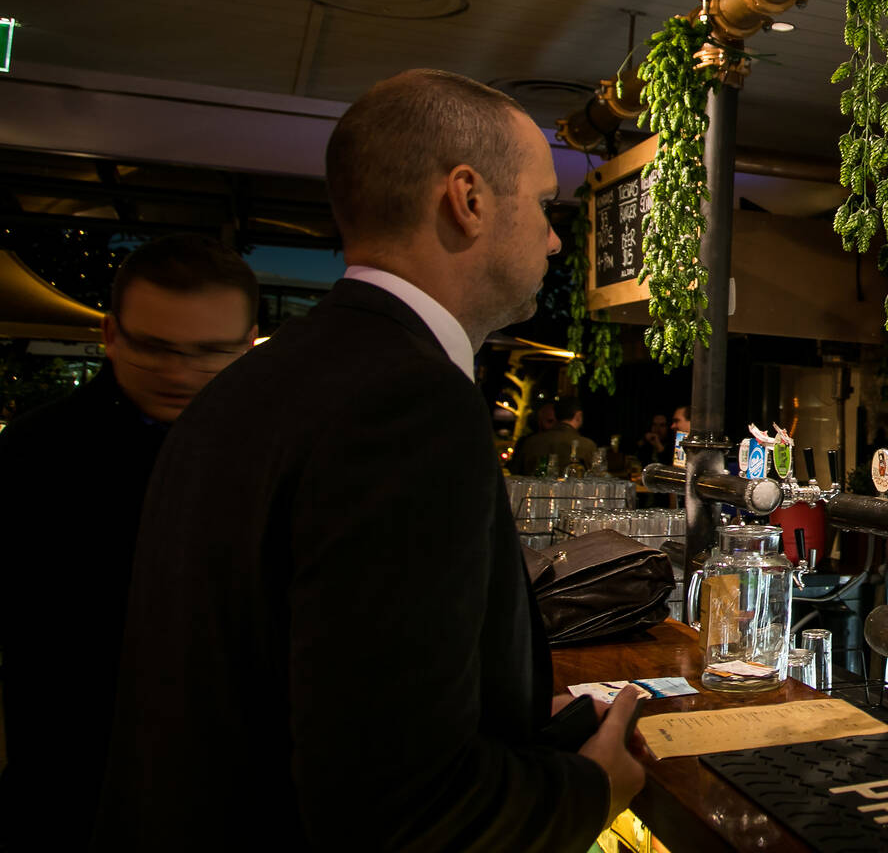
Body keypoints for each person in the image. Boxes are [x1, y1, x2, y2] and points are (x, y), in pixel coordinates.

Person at [96, 70, 645, 850]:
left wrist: (511, 717)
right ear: (469, 199)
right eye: (545, 206)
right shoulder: (411, 406)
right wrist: (586, 788)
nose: (557, 238)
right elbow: (403, 812)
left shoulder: (256, 380)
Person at [0, 234, 258, 847]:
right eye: (154, 348)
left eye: (209, 353)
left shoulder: (273, 454)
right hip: (71, 786)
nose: (177, 373)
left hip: (233, 790)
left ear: (249, 347)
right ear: (111, 335)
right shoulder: (37, 453)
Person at [510, 395, 597, 475]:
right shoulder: (587, 445)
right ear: (578, 416)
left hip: (533, 491)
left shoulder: (531, 442)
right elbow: (595, 477)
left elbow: (515, 473)